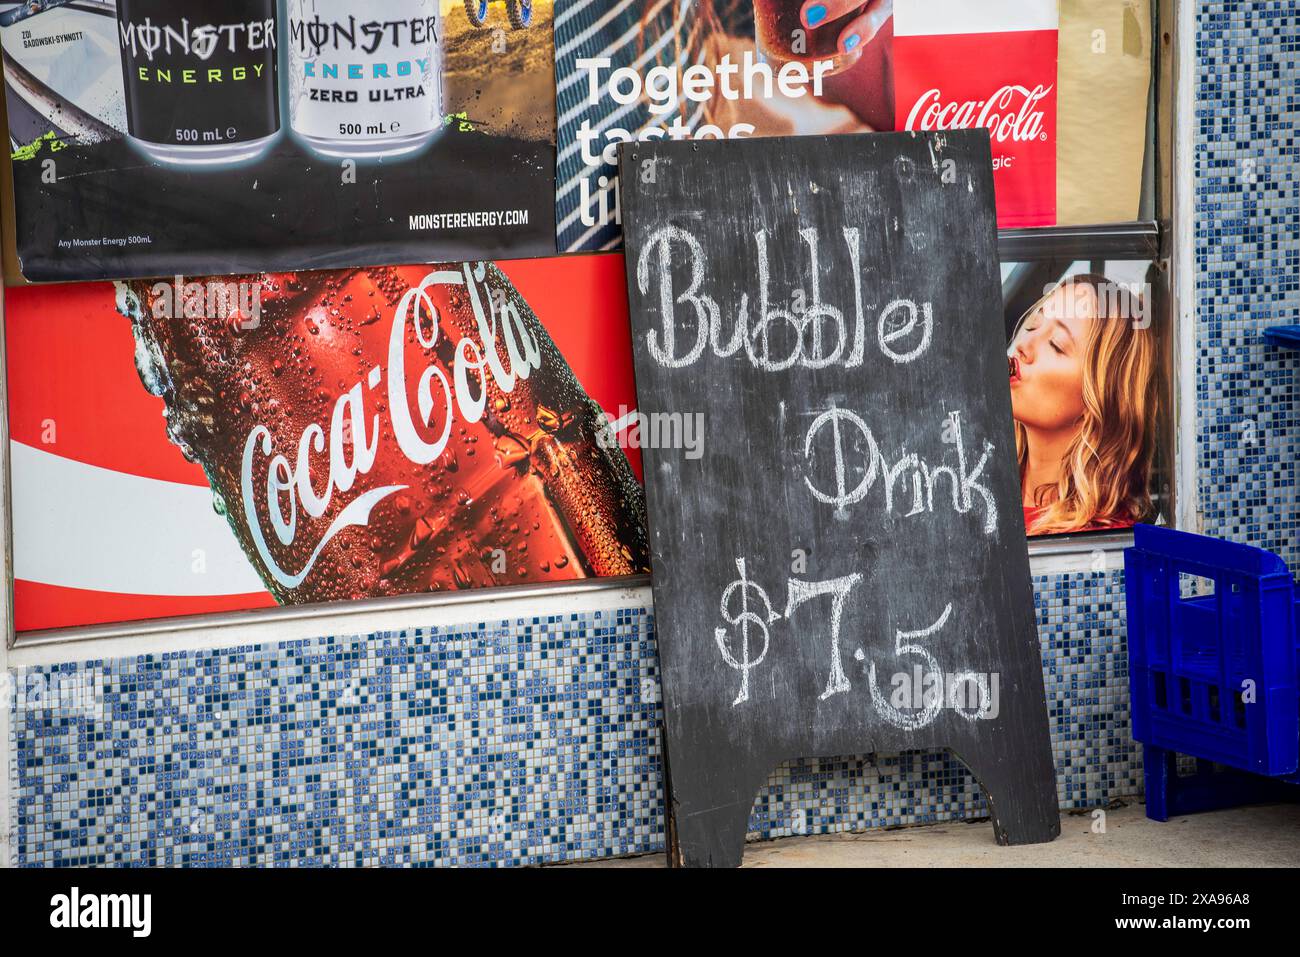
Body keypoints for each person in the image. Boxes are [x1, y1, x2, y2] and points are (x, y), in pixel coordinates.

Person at [1008, 274, 1160, 536]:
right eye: (1033, 326)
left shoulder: (1102, 539)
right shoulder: (981, 484)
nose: (1023, 346)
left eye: (1056, 345)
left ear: (1098, 399)